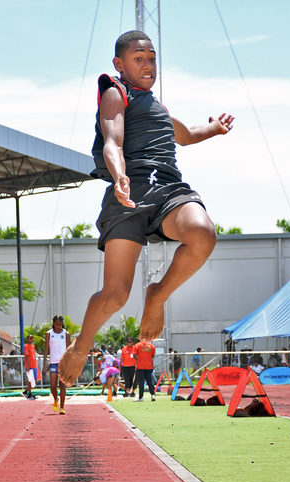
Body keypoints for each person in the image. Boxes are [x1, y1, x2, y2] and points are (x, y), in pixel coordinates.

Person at [57, 30, 234, 386]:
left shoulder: (159, 108)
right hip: (129, 192)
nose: (148, 65)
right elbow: (112, 140)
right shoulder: (115, 92)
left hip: (168, 191)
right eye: (139, 59)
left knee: (202, 233)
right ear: (119, 64)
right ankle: (81, 346)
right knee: (115, 296)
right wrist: (119, 175)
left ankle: (157, 295)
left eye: (152, 58)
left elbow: (186, 134)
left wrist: (214, 128)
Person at [45, 315, 69, 414]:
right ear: (53, 324)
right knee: (53, 386)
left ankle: (62, 407)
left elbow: (69, 349)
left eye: (60, 324)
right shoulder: (49, 333)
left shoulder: (66, 334)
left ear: (62, 324)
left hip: (63, 363)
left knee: (62, 385)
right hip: (53, 362)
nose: (58, 326)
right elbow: (46, 349)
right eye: (56, 324)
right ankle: (56, 399)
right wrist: (44, 363)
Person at [133, 337, 156, 401]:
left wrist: (137, 359)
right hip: (149, 366)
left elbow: (134, 354)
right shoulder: (151, 346)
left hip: (140, 367)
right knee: (150, 381)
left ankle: (141, 397)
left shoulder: (137, 345)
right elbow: (153, 355)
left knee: (141, 382)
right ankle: (153, 395)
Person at [23, 334, 38, 400]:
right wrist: (27, 366)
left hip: (34, 365)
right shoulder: (26, 346)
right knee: (31, 380)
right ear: (27, 339)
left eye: (32, 338)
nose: (31, 339)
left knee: (34, 379)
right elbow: (26, 356)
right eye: (30, 338)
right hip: (30, 366)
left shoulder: (32, 346)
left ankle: (26, 391)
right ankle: (29, 393)